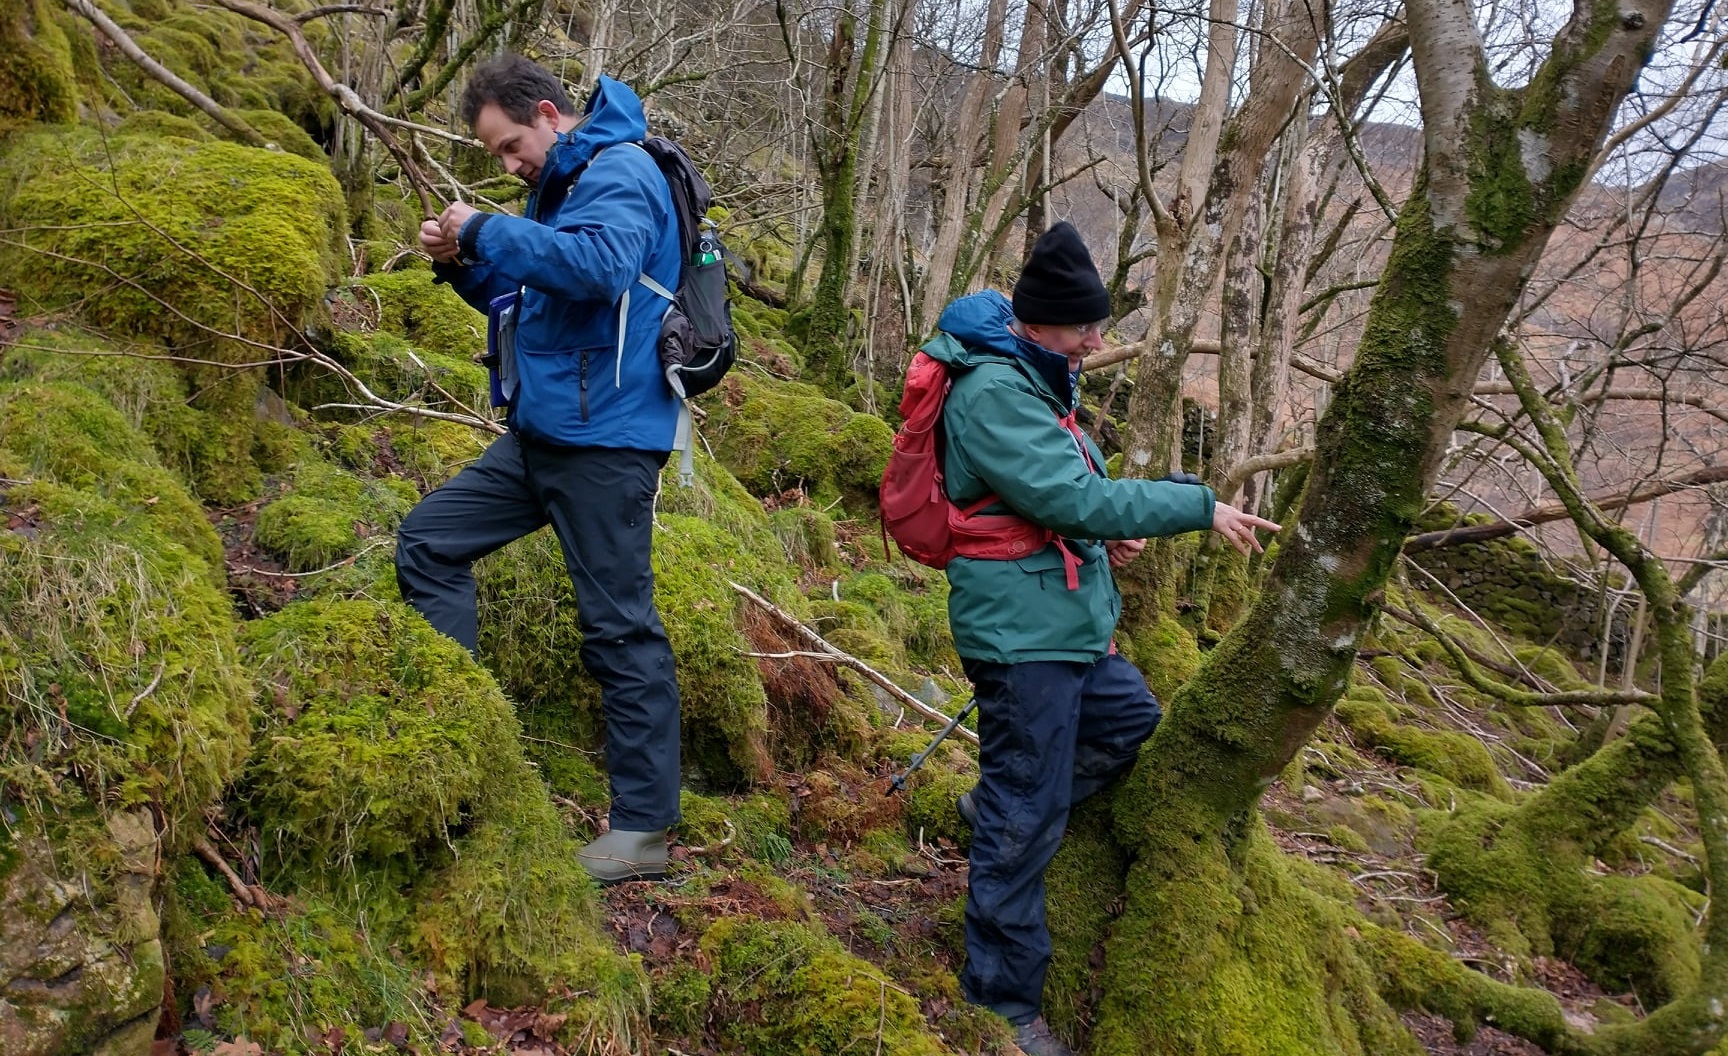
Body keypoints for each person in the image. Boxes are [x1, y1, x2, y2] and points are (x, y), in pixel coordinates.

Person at [926, 222, 1281, 1055]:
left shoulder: (1040, 377)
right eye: (1084, 327)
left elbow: (1059, 500)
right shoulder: (995, 393)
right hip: (1022, 638)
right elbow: (1072, 499)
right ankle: (1002, 1002)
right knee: (1029, 813)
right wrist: (1195, 504)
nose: (1096, 340)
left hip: (1067, 625)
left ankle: (997, 801)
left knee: (1130, 727)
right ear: (1039, 321)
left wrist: (1097, 540)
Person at [397, 55, 682, 884]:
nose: (509, 164)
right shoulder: (559, 185)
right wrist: (460, 262)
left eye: (511, 146)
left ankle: (642, 832)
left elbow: (598, 268)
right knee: (429, 542)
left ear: (551, 114)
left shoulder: (621, 171)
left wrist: (484, 225)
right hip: (541, 434)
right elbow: (530, 303)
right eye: (496, 158)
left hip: (609, 445)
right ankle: (462, 738)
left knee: (620, 628)